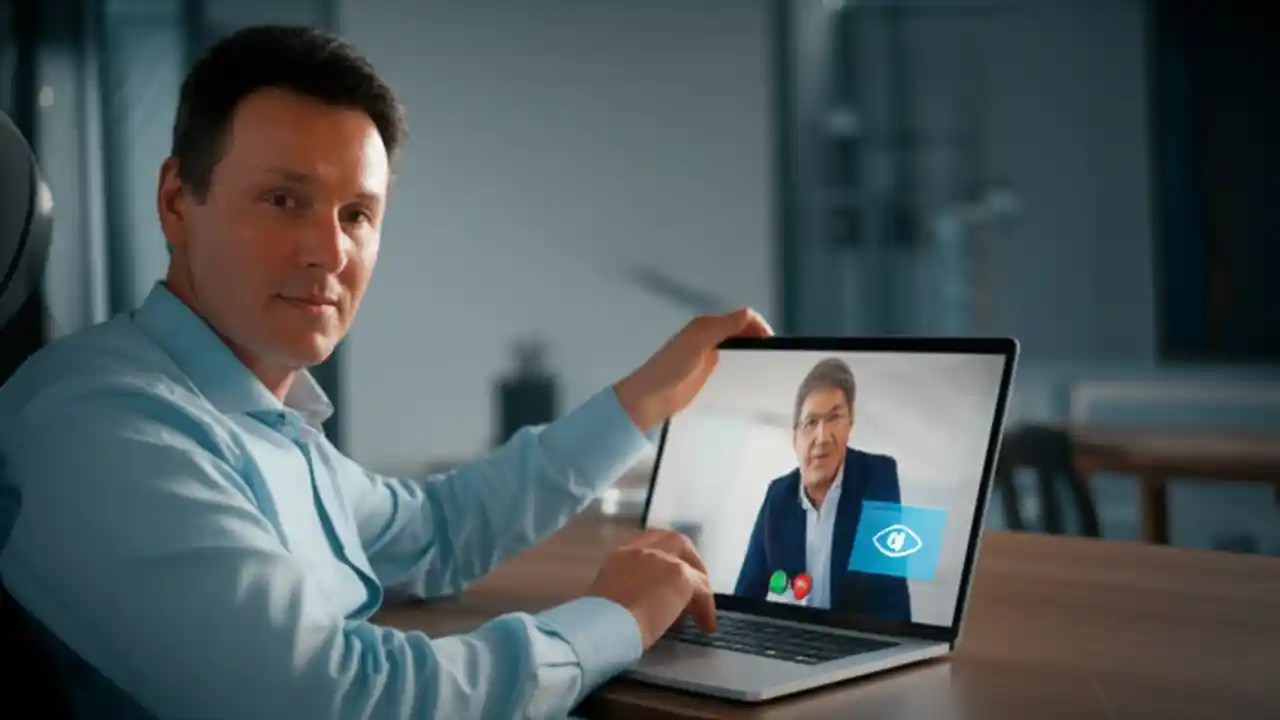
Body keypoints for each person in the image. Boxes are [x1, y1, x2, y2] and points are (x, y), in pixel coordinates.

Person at [0, 25, 772, 720]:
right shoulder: (104, 422)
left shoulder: (256, 420)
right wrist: (615, 619)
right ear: (177, 201)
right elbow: (328, 700)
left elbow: (437, 530)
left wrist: (646, 399)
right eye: (283, 199)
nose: (329, 253)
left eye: (356, 215)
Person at [733, 358, 910, 620]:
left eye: (834, 418)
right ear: (795, 438)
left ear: (850, 423)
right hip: (790, 641)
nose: (822, 437)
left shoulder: (880, 475)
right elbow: (746, 595)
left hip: (856, 643)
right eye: (810, 423)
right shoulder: (777, 494)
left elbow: (891, 595)